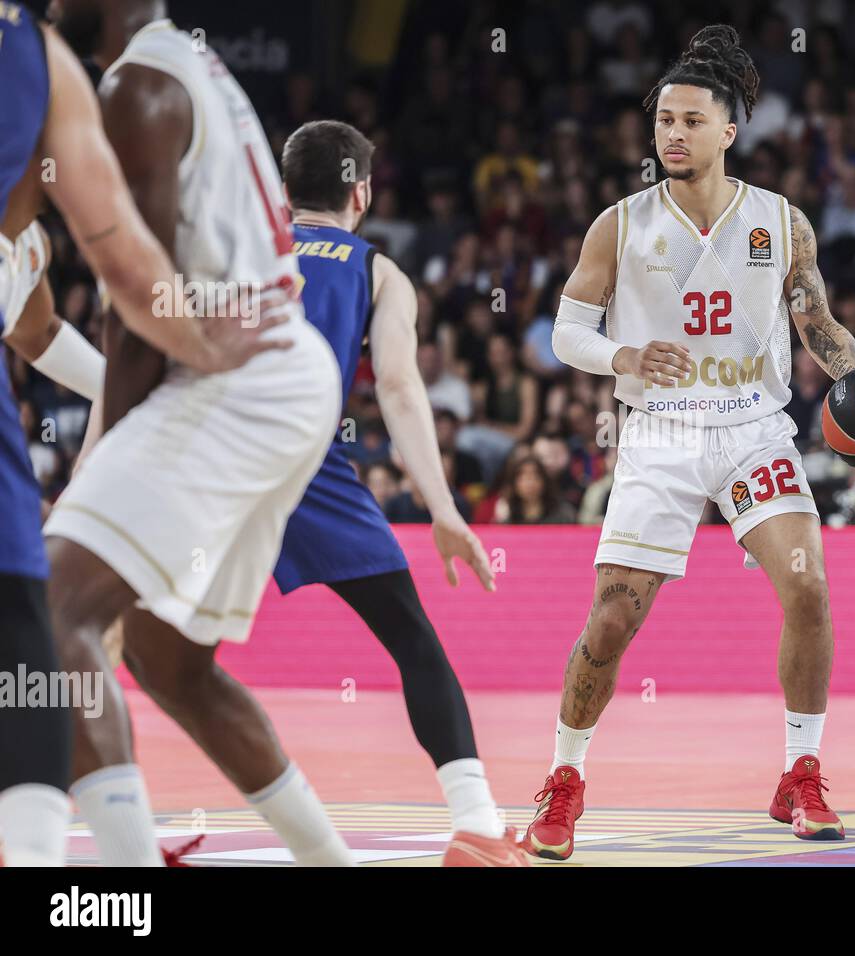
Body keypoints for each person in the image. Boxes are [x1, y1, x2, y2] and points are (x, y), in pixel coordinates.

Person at [124, 119, 527, 866]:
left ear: (283, 193)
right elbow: (402, 389)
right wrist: (442, 511)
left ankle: (119, 828)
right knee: (411, 640)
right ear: (362, 192)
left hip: (209, 455)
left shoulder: (241, 250)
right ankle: (476, 824)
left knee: (140, 647)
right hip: (308, 464)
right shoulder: (378, 272)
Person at [523, 25, 855, 860]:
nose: (672, 133)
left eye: (688, 120)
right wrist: (624, 355)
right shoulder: (621, 223)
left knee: (809, 591)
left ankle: (802, 770)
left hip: (754, 429)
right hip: (663, 433)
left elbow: (817, 325)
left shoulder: (782, 224)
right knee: (612, 618)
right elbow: (563, 331)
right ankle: (564, 782)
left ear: (729, 130)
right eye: (662, 121)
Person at [42, 1, 348, 867]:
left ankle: (124, 888)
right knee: (168, 662)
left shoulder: (136, 83)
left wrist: (102, 462)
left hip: (233, 375)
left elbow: (143, 303)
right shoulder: (183, 63)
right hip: (280, 369)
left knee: (46, 615)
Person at [0, 0, 279, 867]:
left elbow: (42, 339)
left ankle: (100, 854)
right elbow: (128, 265)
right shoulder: (39, 57)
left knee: (36, 646)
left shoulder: (30, 252)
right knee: (35, 641)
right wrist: (196, 343)